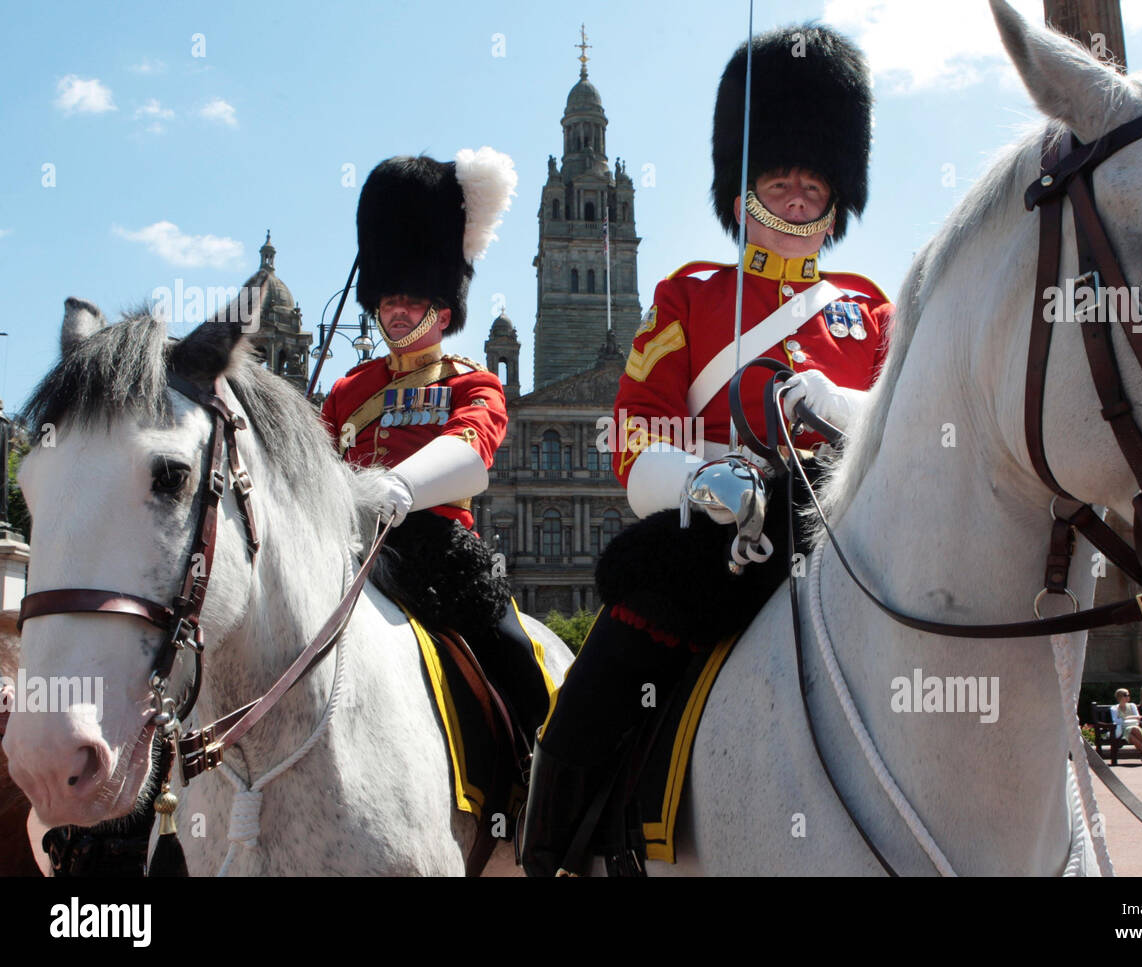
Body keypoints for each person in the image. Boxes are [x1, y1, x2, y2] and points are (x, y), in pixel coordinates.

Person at [521, 24, 891, 876]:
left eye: (813, 179)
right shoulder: (692, 298)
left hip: (852, 531)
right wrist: (702, 477)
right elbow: (635, 430)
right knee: (603, 678)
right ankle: (566, 849)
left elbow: (916, 415)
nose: (797, 192)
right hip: (732, 538)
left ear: (837, 195)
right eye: (777, 177)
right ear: (741, 195)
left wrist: (854, 408)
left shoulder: (869, 307)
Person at [319, 151, 551, 740]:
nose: (396, 311)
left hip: (436, 545)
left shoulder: (471, 382)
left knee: (515, 657)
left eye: (413, 300)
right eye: (388, 300)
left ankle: (530, 788)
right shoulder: (350, 388)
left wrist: (399, 487)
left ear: (442, 311)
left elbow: (471, 454)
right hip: (344, 546)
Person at [1111, 688, 1142, 764]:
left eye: (1128, 695)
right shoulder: (1114, 708)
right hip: (1123, 729)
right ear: (1119, 697)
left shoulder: (1132, 706)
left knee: (1134, 729)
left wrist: (1125, 718)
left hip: (1134, 726)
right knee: (1131, 731)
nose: (1128, 697)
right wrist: (1129, 718)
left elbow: (1138, 717)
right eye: (1125, 695)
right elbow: (1116, 721)